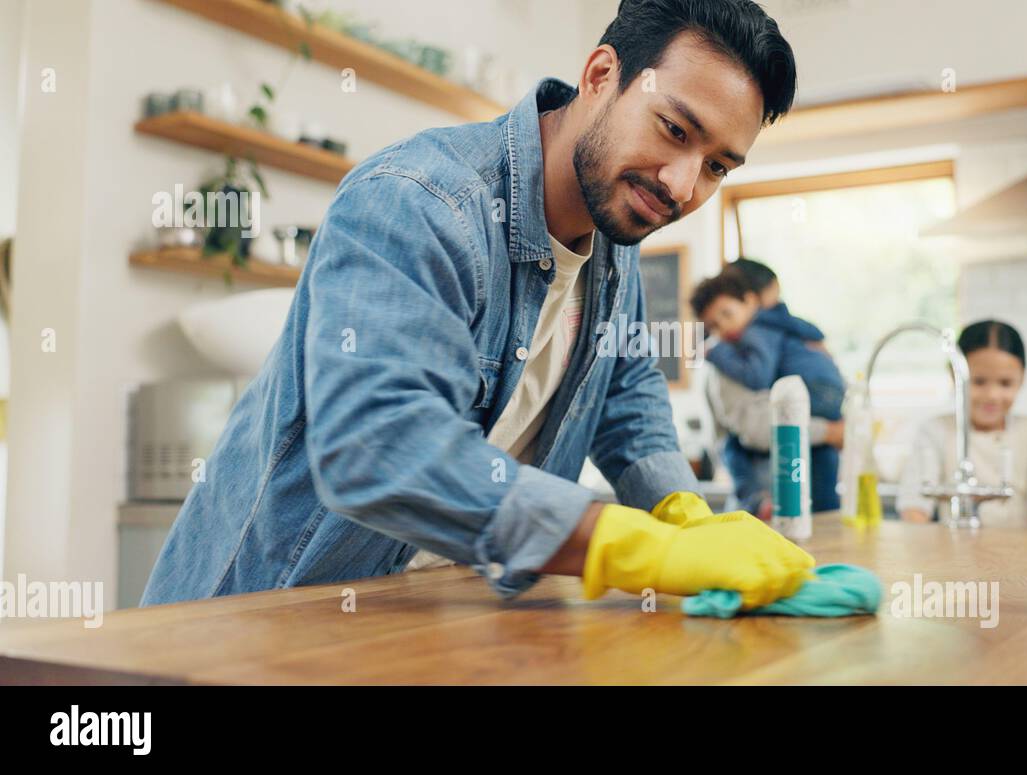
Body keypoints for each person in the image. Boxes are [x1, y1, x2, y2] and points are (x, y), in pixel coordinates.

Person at [141, 0, 814, 609]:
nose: (681, 184)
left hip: (426, 620)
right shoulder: (419, 201)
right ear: (601, 75)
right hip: (261, 624)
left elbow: (627, 399)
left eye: (718, 166)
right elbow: (379, 444)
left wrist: (681, 512)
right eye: (673, 128)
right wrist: (630, 548)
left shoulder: (617, 242)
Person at [691, 267, 844, 513]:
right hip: (776, 501)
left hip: (815, 401)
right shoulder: (780, 329)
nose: (723, 328)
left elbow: (758, 380)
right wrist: (831, 431)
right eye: (713, 325)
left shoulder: (752, 337)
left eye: (726, 314)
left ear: (750, 301)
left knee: (734, 447)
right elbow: (756, 429)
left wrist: (714, 352)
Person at [897, 320, 1027, 526]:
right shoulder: (935, 430)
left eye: (1005, 383)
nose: (992, 395)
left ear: (1022, 378)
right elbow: (914, 505)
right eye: (978, 381)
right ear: (954, 375)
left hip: (1024, 554)